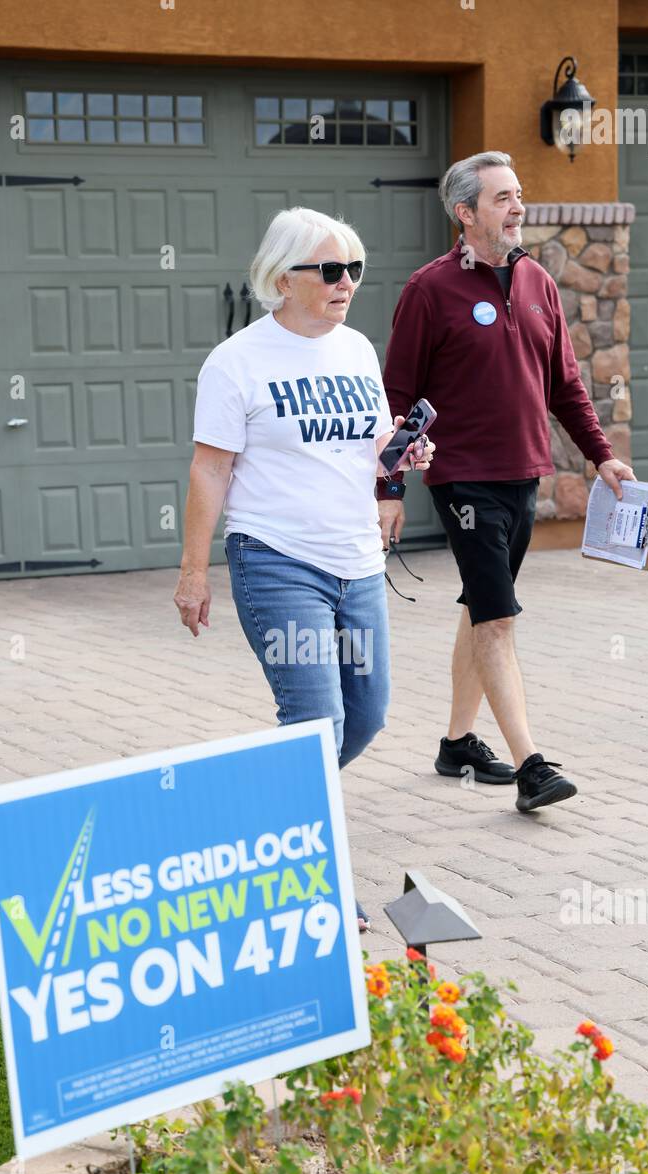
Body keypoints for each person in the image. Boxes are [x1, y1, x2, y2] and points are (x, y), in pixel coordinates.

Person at [174, 206, 433, 928]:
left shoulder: (354, 350)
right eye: (329, 269)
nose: (345, 281)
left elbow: (372, 443)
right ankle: (312, 883)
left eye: (353, 267)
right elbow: (209, 468)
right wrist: (193, 573)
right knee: (314, 720)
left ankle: (255, 813)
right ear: (282, 277)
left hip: (356, 560)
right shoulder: (238, 361)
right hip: (277, 561)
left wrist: (402, 459)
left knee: (368, 714)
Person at [380, 151, 635, 813]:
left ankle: (457, 743)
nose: (517, 207)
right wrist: (387, 489)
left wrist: (600, 456)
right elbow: (398, 398)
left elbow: (566, 386)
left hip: (523, 471)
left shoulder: (537, 282)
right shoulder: (428, 290)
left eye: (517, 194)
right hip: (461, 478)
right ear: (465, 213)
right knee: (496, 619)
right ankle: (530, 766)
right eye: (501, 197)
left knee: (478, 605)